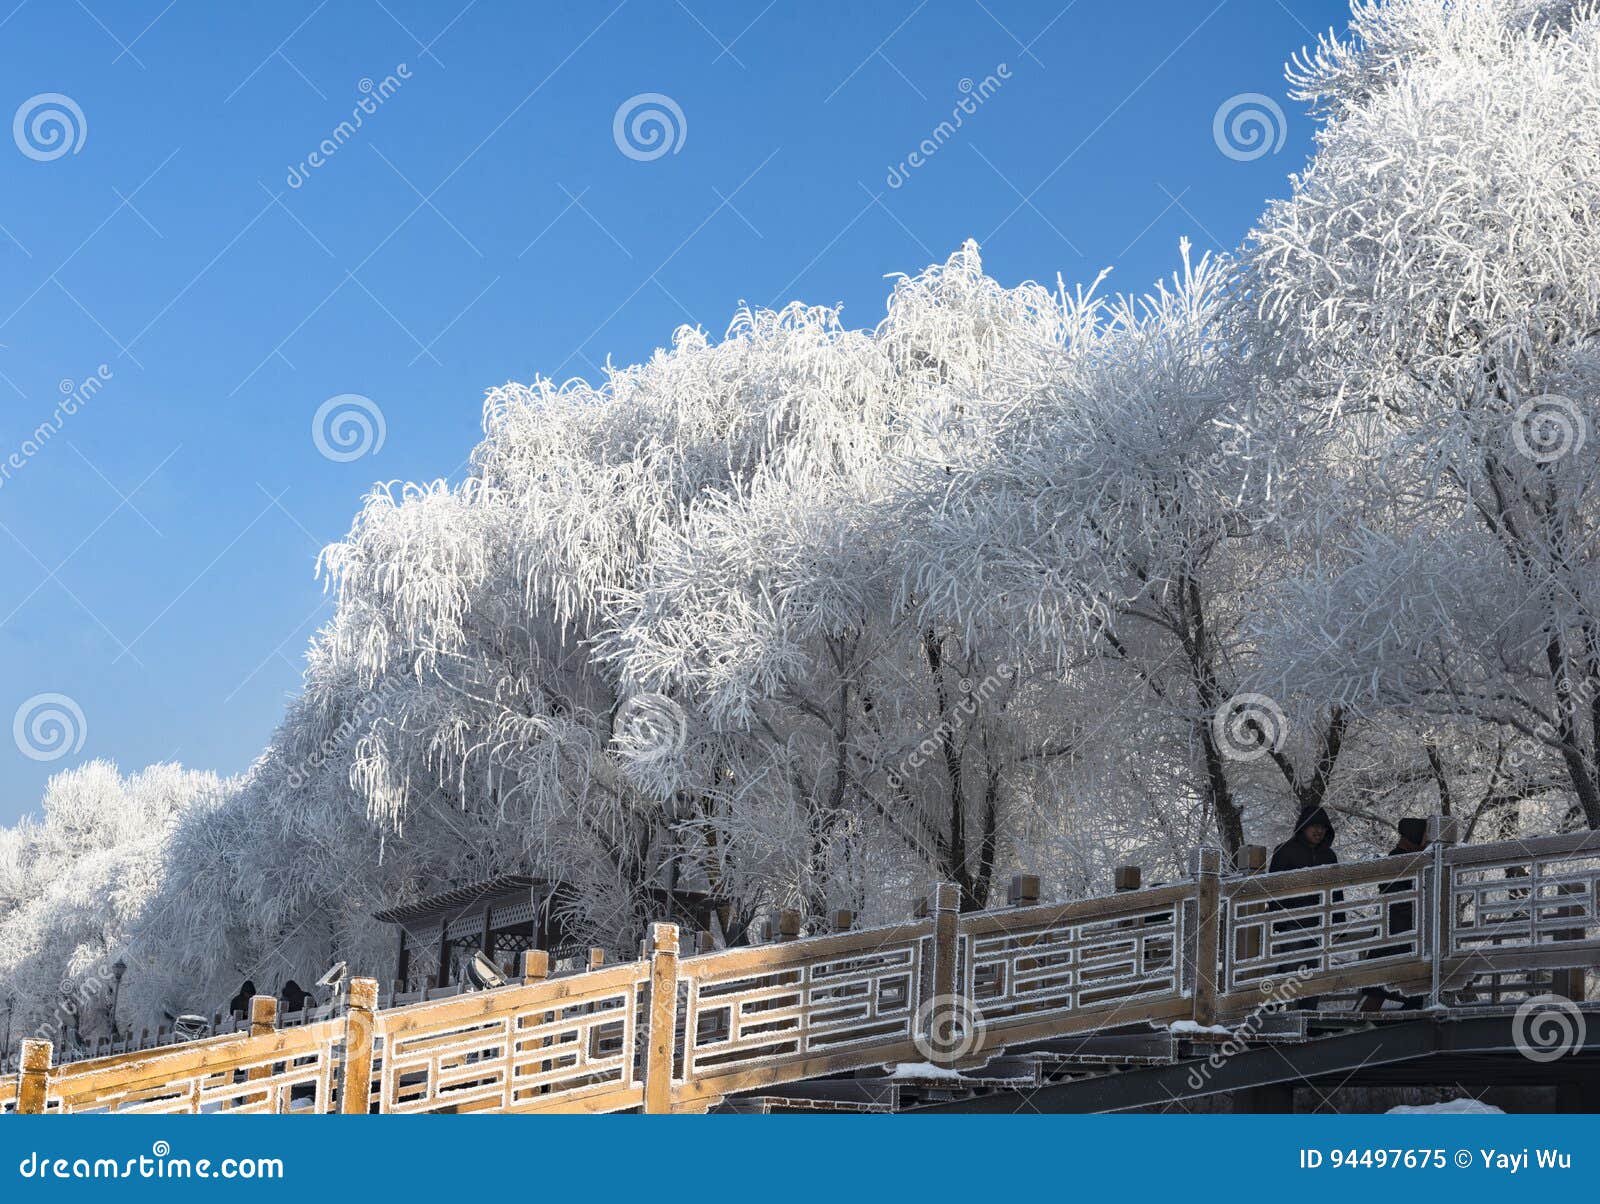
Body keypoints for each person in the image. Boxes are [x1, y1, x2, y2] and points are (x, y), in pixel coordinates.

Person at [1268, 805, 1339, 1010]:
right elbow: (1273, 887)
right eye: (1314, 826)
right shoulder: (1285, 851)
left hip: (1320, 923)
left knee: (1314, 971)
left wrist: (1337, 921)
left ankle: (1308, 1014)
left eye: (1323, 827)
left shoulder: (1329, 856)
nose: (1319, 831)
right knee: (1290, 968)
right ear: (1304, 827)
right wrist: (1278, 920)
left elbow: (1336, 890)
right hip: (1292, 922)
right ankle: (1267, 1010)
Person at [1359, 817, 1430, 1012]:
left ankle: (1369, 1022)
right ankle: (1377, 1023)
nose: (1426, 843)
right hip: (1397, 932)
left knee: (1382, 988)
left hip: (1396, 932)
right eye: (1423, 838)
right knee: (1387, 987)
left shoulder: (1407, 858)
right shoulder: (1399, 859)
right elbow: (1395, 894)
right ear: (1413, 838)